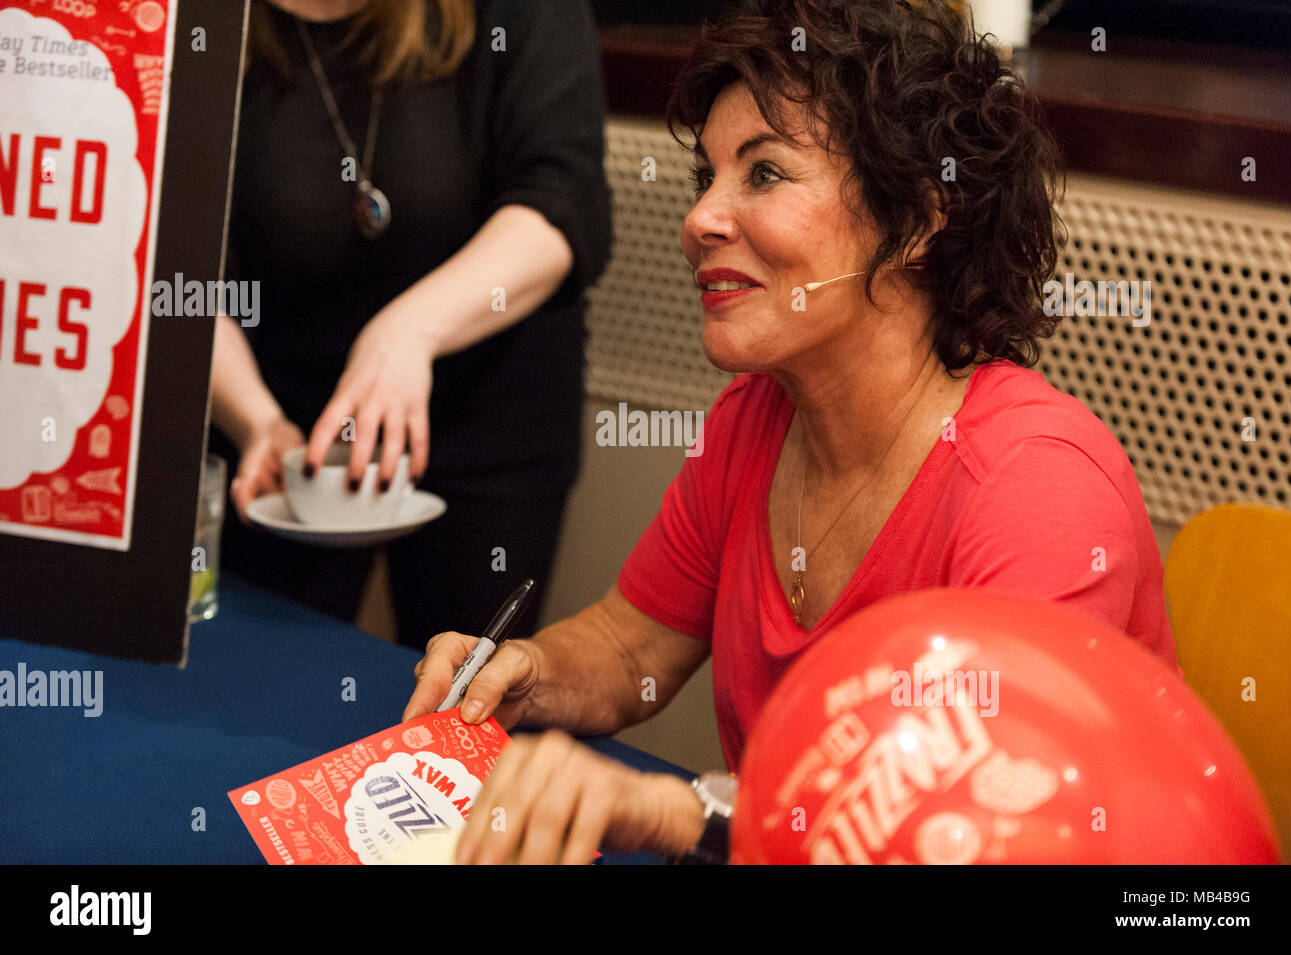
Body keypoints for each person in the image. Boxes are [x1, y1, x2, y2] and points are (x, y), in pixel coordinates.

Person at [404, 0, 1181, 864]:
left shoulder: (1042, 491)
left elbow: (964, 824)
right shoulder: (756, 419)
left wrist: (676, 812)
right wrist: (527, 674)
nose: (699, 221)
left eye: (764, 173)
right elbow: (630, 644)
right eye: (707, 179)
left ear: (921, 219)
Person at [208, 0, 612, 646]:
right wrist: (257, 420)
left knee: (463, 709)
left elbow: (562, 201)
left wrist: (407, 333)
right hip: (286, 422)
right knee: (265, 683)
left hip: (489, 415)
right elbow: (179, 268)